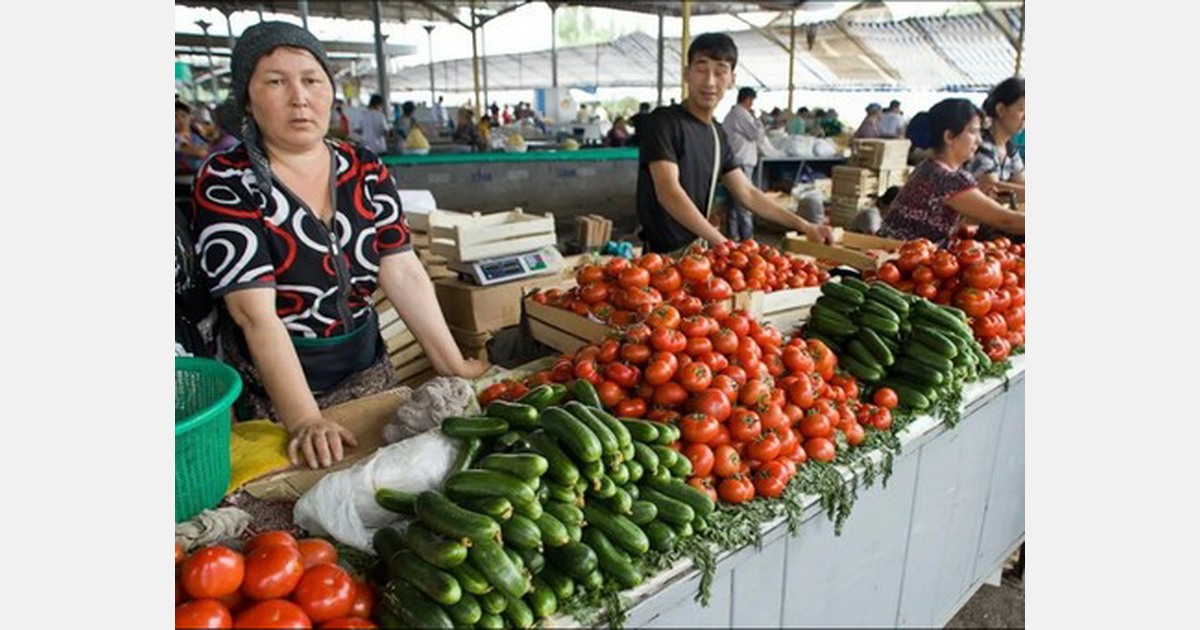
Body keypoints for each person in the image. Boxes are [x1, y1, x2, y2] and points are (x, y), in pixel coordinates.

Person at [190, 21, 488, 470]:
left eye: (312, 80)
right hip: (278, 392)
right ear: (247, 99)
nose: (299, 97)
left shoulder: (363, 167)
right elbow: (253, 314)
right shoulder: (227, 181)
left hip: (369, 370)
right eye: (276, 82)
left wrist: (452, 364)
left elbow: (403, 271)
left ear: (330, 90)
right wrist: (304, 419)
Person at [635, 32, 832, 255]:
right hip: (661, 260)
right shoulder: (664, 122)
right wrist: (724, 244)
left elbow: (747, 193)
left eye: (720, 72)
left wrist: (805, 226)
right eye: (701, 69)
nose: (710, 81)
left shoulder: (717, 134)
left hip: (697, 255)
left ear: (731, 80)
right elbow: (668, 191)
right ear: (686, 73)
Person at [877, 98, 1025, 244]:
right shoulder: (947, 178)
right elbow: (1007, 221)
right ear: (949, 137)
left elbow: (950, 220)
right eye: (973, 132)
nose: (979, 140)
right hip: (903, 255)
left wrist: (982, 203)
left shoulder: (929, 167)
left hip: (893, 251)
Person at [967, 77, 1025, 203]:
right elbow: (993, 187)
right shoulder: (981, 145)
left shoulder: (1009, 148)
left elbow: (1021, 180)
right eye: (1022, 110)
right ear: (1001, 110)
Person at [722, 86, 766, 241]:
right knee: (744, 201)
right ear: (748, 100)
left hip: (733, 161)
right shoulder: (741, 114)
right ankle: (748, 239)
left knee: (733, 204)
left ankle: (732, 238)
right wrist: (758, 120)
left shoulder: (731, 114)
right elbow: (755, 135)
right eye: (752, 101)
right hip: (741, 162)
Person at [176, 101, 210, 176]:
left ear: (190, 117)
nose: (180, 120)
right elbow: (202, 153)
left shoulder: (199, 136)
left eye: (183, 116)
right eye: (175, 117)